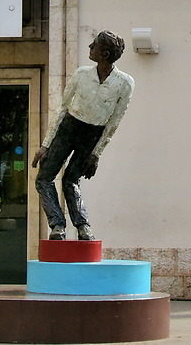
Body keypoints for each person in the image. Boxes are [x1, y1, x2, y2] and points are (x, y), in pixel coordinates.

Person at [33, 31, 134, 241]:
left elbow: (114, 122)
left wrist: (96, 154)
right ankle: (58, 226)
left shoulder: (125, 83)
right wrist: (45, 145)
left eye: (94, 45)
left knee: (71, 180)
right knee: (44, 178)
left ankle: (83, 227)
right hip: (69, 127)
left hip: (92, 135)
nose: (90, 47)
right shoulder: (81, 75)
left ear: (104, 53)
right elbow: (62, 109)